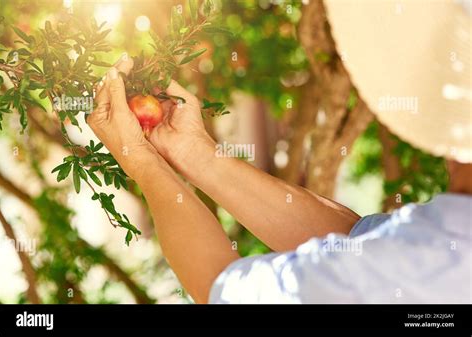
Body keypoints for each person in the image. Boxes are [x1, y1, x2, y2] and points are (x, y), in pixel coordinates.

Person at [87, 0, 471, 304]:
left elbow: (221, 290)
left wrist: (139, 157)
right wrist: (196, 154)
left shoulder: (432, 266)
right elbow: (353, 238)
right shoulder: (439, 244)